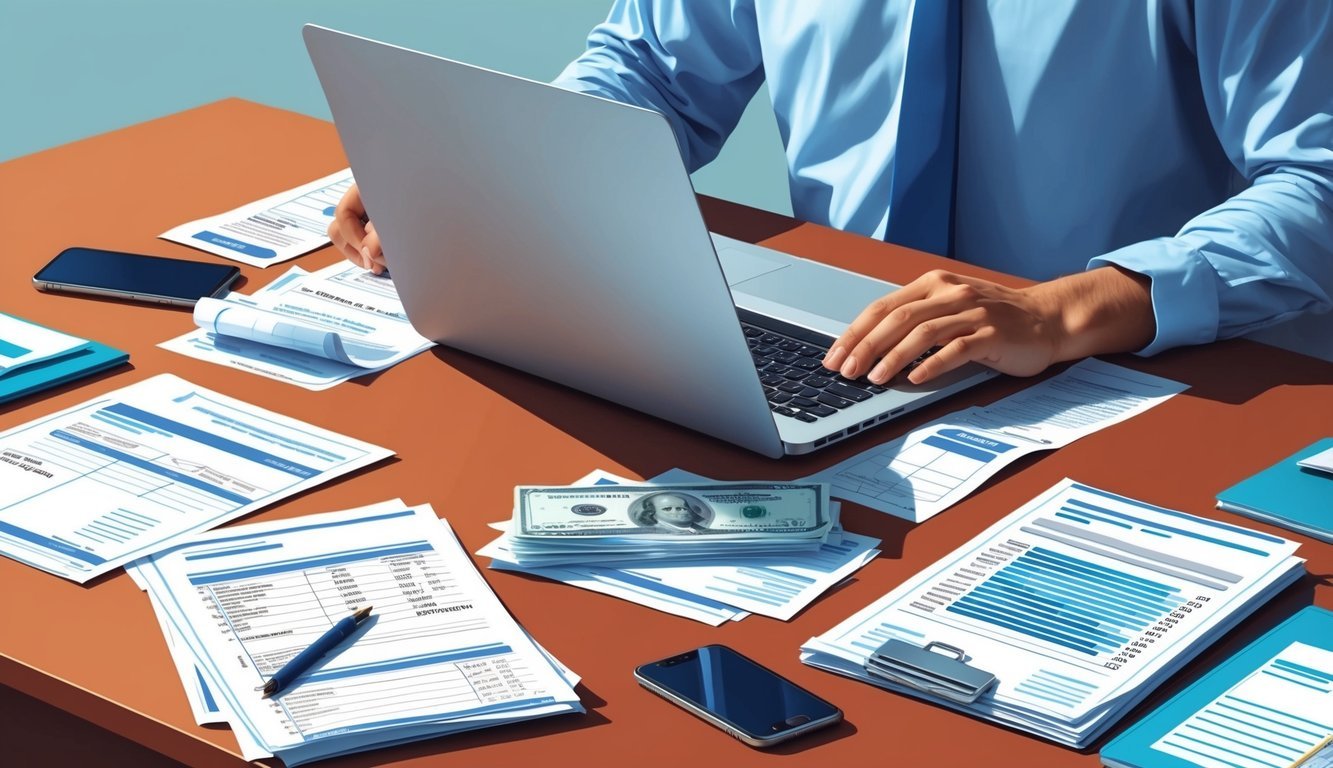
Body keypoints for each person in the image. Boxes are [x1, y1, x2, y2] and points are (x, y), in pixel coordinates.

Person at [329, 1, 1332, 387]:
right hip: (847, 363)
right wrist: (495, 178)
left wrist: (1073, 304)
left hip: (1150, 387)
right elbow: (653, 70)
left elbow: (1318, 180)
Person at [632, 493, 711, 533]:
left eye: (683, 508)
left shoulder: (703, 528)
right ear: (652, 512)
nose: (676, 512)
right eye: (667, 509)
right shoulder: (654, 531)